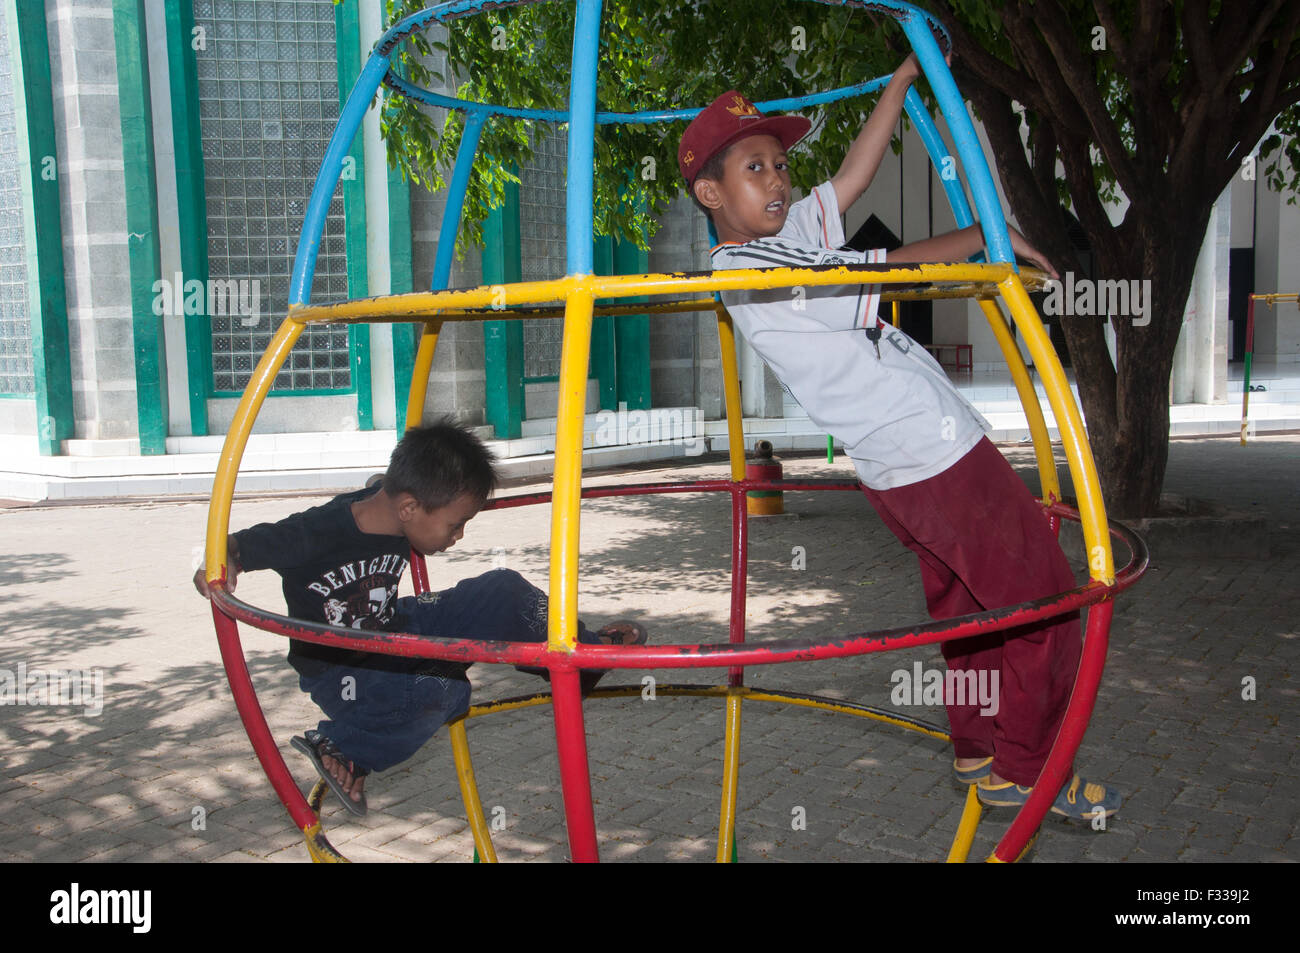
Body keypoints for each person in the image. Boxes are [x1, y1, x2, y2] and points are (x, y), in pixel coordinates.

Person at [679, 55, 1118, 819]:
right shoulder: (751, 268)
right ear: (710, 192)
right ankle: (1027, 768)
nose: (779, 181)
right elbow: (887, 266)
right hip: (932, 455)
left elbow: (851, 178)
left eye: (781, 164)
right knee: (1046, 602)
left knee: (973, 610)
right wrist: (986, 235)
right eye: (756, 168)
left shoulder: (779, 238)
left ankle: (979, 749)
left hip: (905, 463)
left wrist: (898, 86)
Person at [195, 420, 646, 816]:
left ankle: (579, 658)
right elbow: (237, 544)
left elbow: (381, 485)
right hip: (342, 669)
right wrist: (222, 561)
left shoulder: (391, 503)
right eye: (455, 524)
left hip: (395, 627)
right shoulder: (314, 533)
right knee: (443, 687)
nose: (458, 535)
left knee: (502, 589)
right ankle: (345, 747)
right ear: (409, 508)